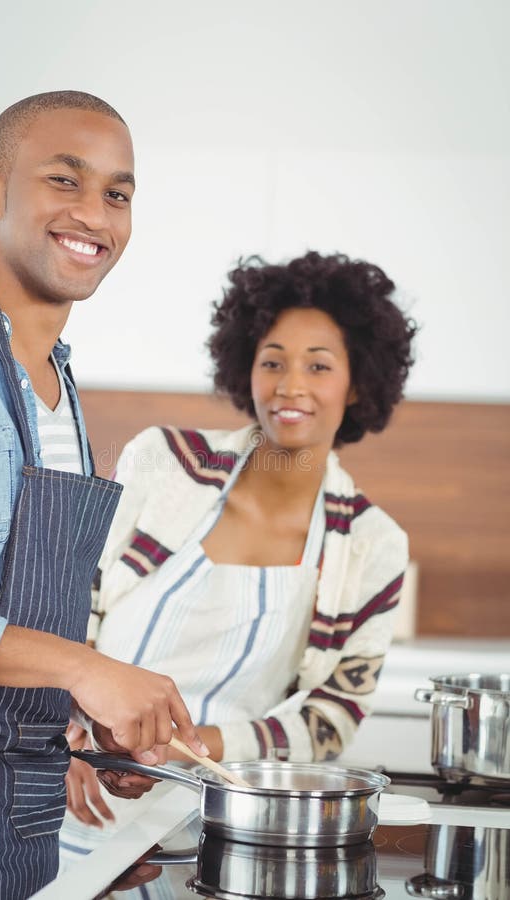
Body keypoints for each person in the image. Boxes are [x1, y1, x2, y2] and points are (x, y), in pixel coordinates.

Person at [0, 90, 208, 900]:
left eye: (117, 193)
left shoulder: (59, 388)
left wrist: (80, 721)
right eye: (64, 180)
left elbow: (9, 609)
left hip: (15, 824)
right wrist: (83, 666)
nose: (95, 214)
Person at [61, 249, 417, 847]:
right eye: (272, 361)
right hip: (75, 788)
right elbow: (72, 596)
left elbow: (328, 720)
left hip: (217, 825)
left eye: (319, 367)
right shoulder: (168, 463)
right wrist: (73, 728)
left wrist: (180, 749)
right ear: (244, 367)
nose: (290, 386)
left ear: (358, 383)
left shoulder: (371, 547)